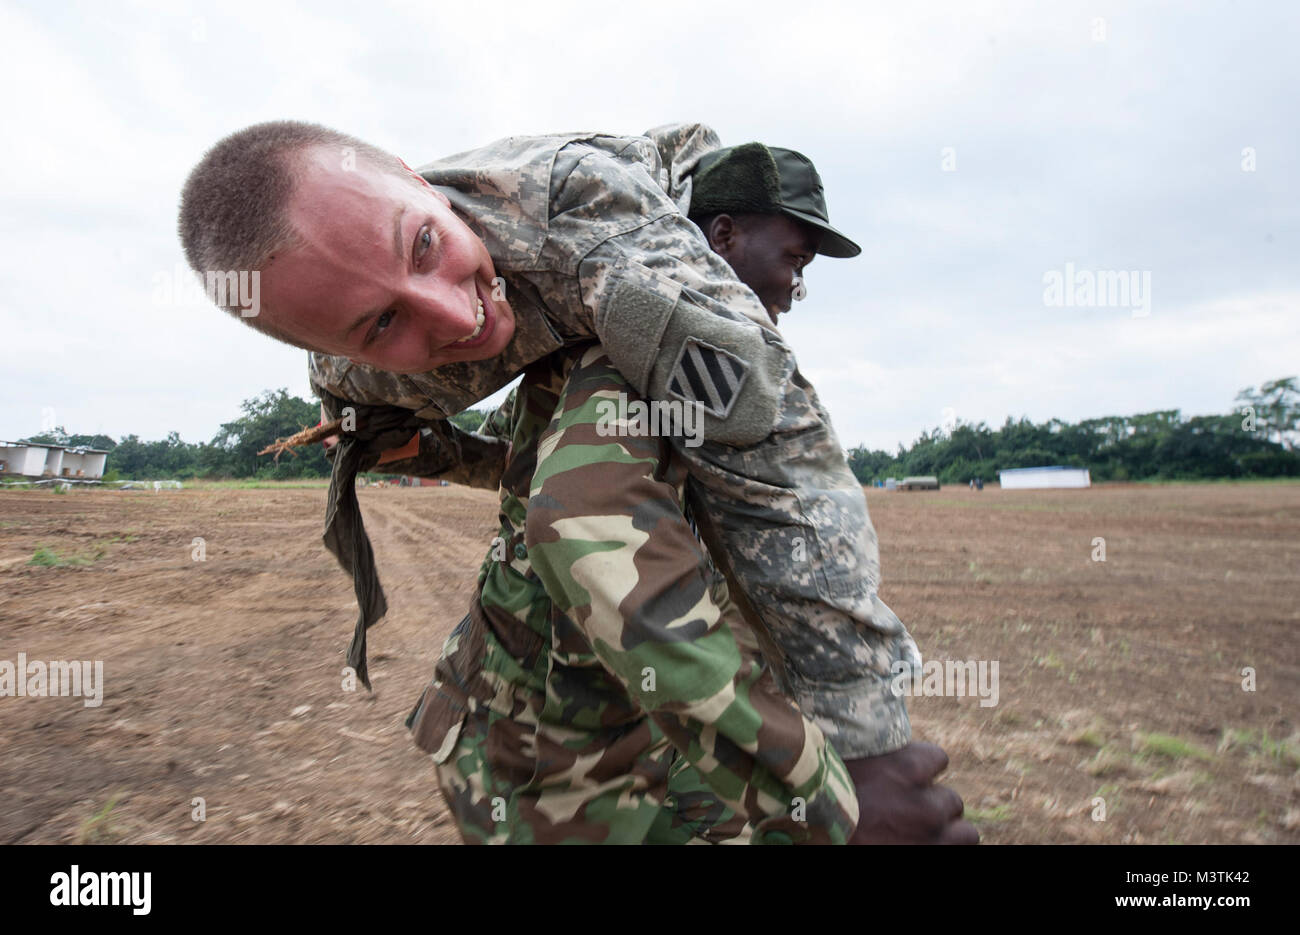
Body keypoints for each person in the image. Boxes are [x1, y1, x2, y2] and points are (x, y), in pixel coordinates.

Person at [177, 121, 977, 844]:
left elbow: (764, 457)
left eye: (424, 246)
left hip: (634, 755)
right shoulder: (583, 317)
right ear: (717, 236)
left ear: (421, 184)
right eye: (384, 322)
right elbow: (594, 502)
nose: (455, 318)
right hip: (550, 776)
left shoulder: (598, 248)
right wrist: (847, 786)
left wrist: (852, 738)